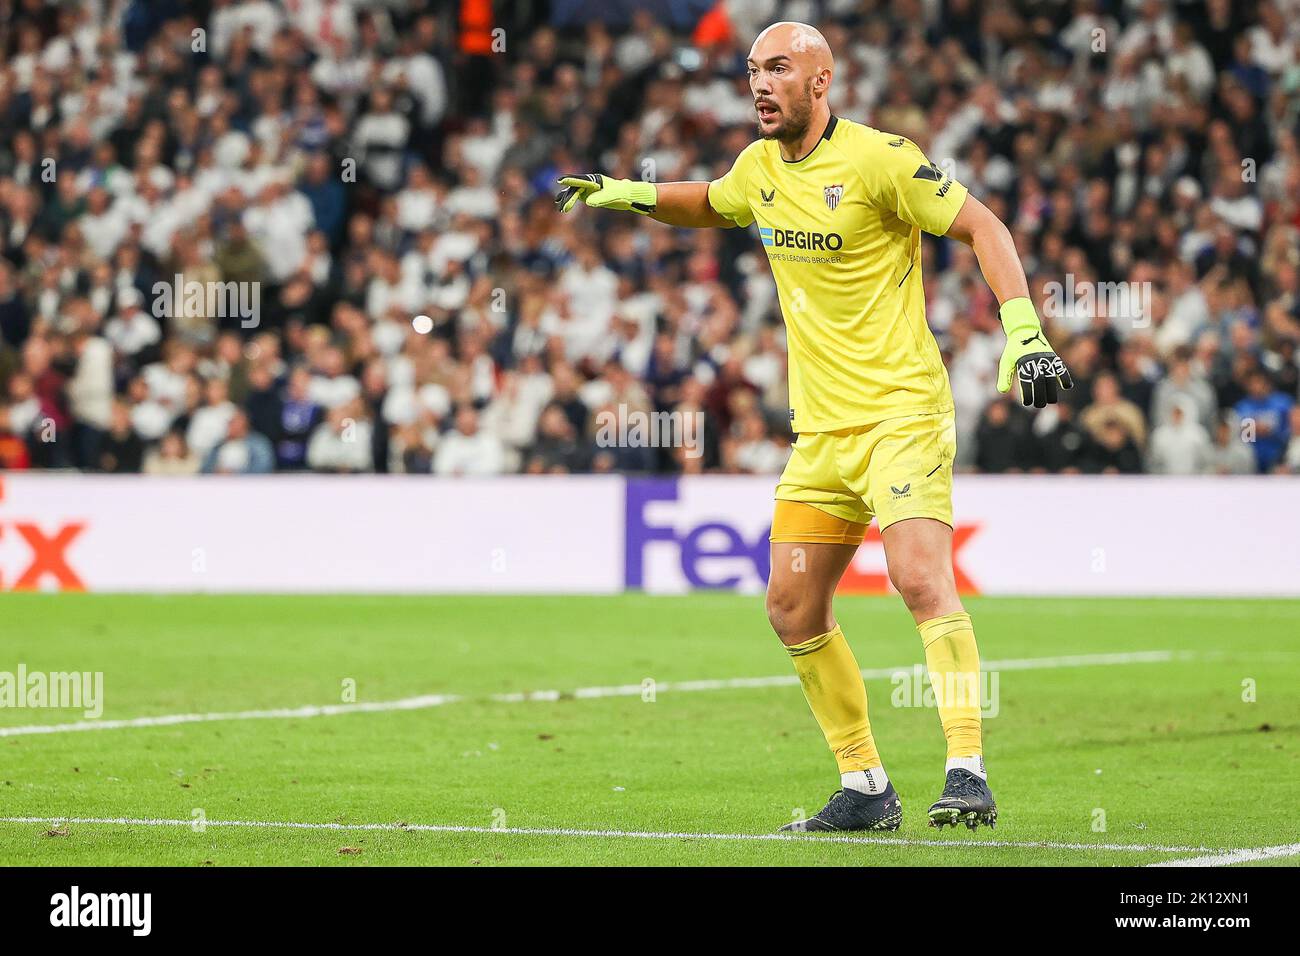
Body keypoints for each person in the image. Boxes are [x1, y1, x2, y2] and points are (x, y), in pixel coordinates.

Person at [556, 21, 1073, 833]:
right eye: (753, 69)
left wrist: (1025, 330)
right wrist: (634, 194)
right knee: (793, 607)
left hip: (902, 413)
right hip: (822, 436)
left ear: (821, 79)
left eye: (779, 68)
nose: (761, 83)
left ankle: (966, 769)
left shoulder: (882, 159)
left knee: (919, 578)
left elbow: (986, 227)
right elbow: (712, 204)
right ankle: (865, 785)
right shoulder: (758, 169)